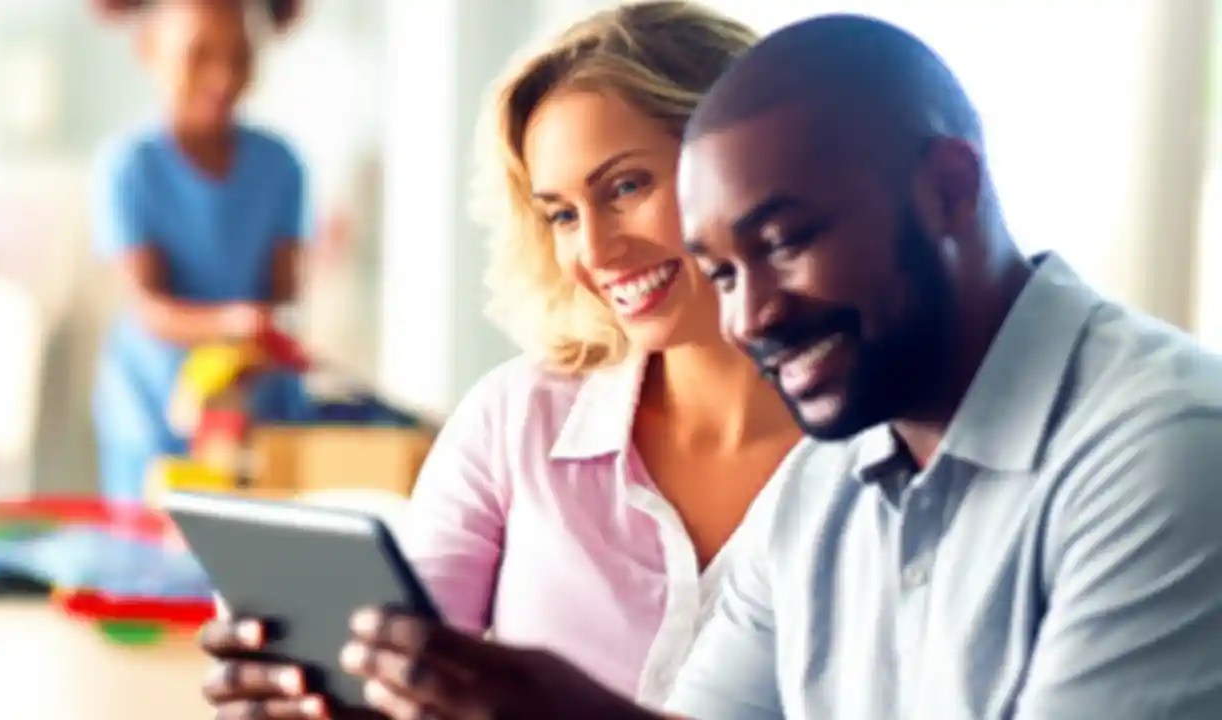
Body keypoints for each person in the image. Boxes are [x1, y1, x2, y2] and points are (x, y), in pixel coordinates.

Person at [324, 13, 1222, 720]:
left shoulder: (1160, 451)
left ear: (950, 187)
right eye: (721, 270)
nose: (749, 318)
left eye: (785, 242)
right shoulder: (834, 474)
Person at [197, 3, 801, 718]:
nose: (596, 251)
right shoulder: (516, 422)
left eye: (626, 186)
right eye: (562, 214)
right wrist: (310, 696)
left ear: (743, 164)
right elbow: (398, 673)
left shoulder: (876, 459)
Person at [92, 0, 308, 500]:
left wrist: (262, 340)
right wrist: (232, 324)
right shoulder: (128, 167)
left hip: (259, 414)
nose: (222, 78)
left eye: (240, 57)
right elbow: (147, 306)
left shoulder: (282, 165)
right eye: (199, 55)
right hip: (151, 412)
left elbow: (283, 296)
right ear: (149, 49)